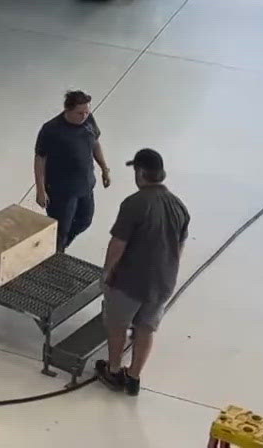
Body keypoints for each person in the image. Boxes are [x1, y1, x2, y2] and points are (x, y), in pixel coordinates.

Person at [95, 148, 190, 397]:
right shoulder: (179, 206)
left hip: (130, 281)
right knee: (146, 328)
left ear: (140, 173)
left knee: (117, 324)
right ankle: (134, 377)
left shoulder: (135, 203)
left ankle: (114, 370)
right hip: (162, 283)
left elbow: (118, 244)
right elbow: (179, 247)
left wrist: (107, 273)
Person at [33, 90, 111, 253]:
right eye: (79, 113)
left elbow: (95, 143)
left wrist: (104, 168)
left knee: (85, 221)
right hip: (62, 192)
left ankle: (59, 247)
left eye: (86, 112)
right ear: (67, 110)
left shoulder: (88, 120)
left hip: (85, 186)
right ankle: (55, 255)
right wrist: (40, 190)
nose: (84, 116)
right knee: (60, 230)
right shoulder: (51, 130)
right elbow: (40, 159)